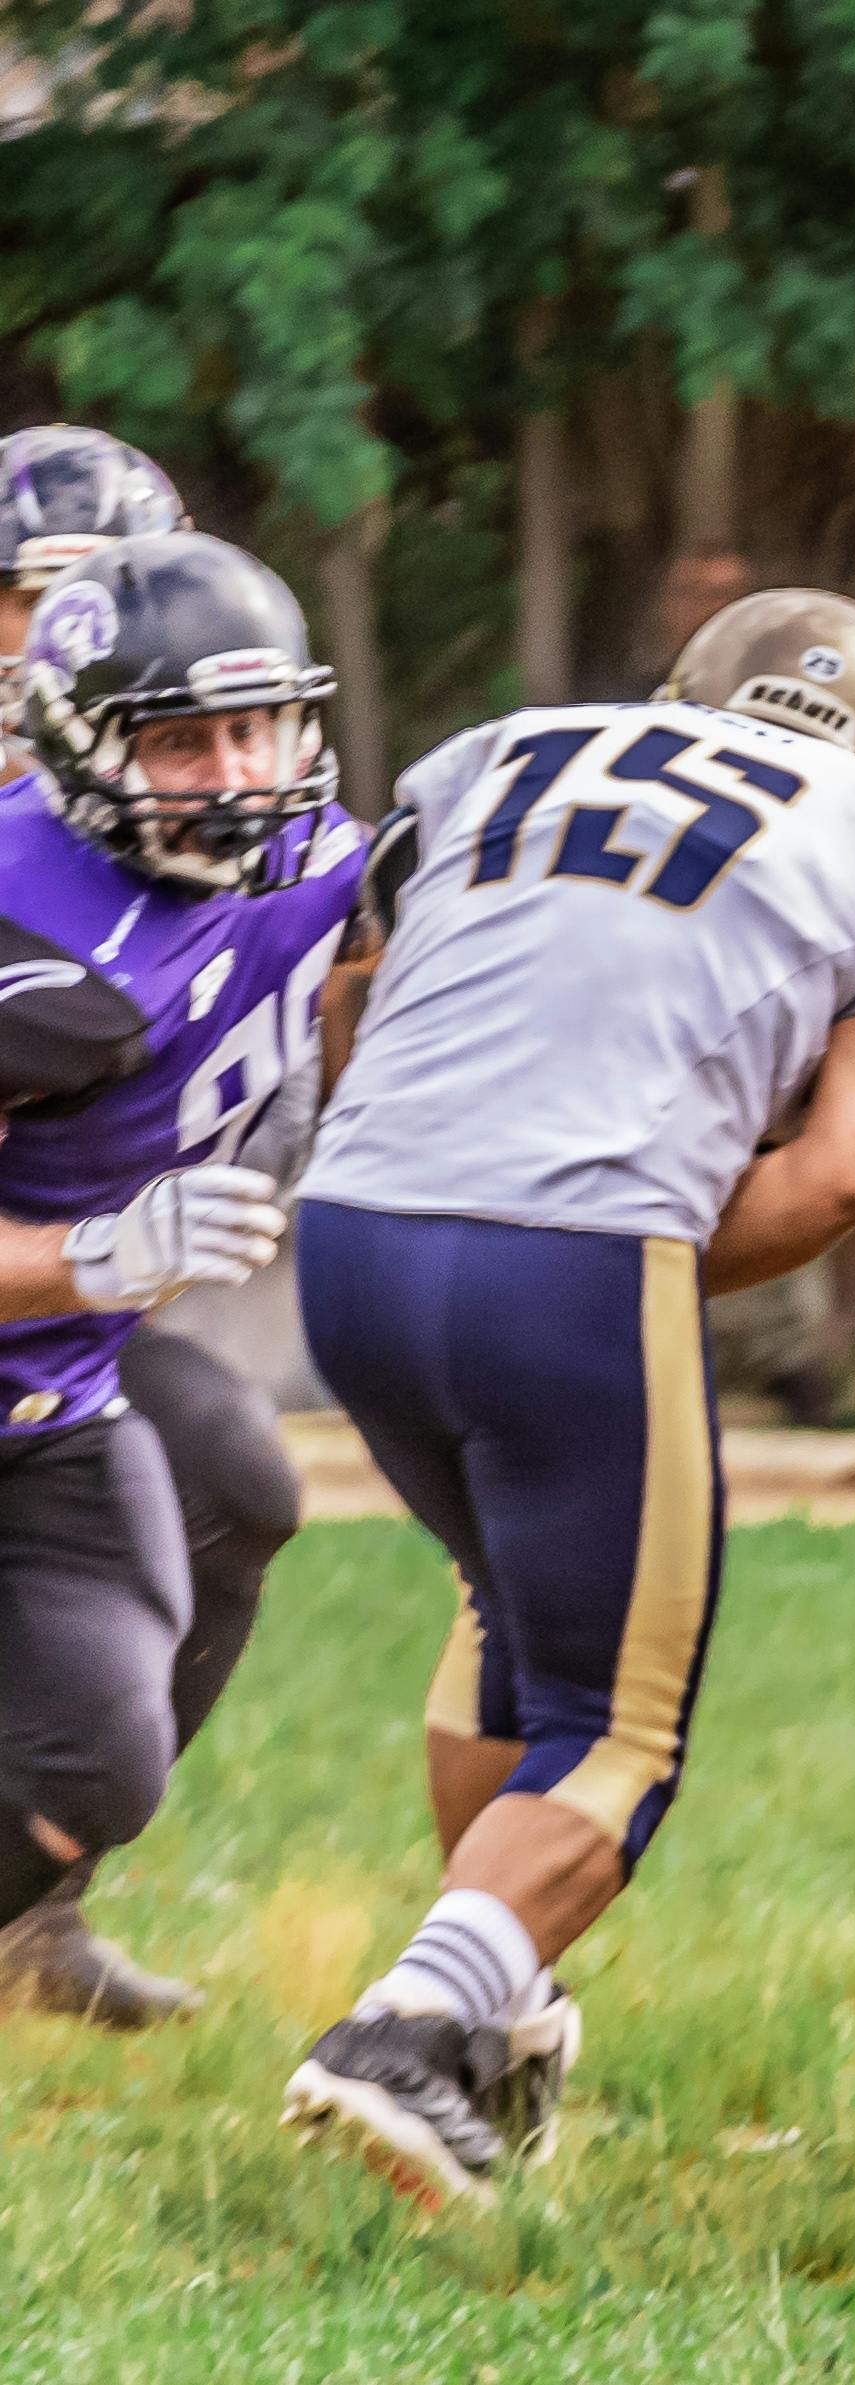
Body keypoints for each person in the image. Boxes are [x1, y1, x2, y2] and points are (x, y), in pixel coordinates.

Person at [278, 590, 855, 2209]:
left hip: (353, 1232)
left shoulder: (508, 751)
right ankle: (410, 2029)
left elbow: (348, 993)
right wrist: (637, 1250)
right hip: (571, 1257)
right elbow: (850, 1165)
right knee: (616, 1731)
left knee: (509, 1612)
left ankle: (498, 2021)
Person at [0, 533, 362, 2016]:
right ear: (83, 751)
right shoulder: (28, 929)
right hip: (46, 1337)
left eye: (255, 729)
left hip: (48, 1397)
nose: (233, 776)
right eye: (181, 744)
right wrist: (88, 1255)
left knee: (96, 1763)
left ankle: (28, 1938)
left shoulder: (318, 853)